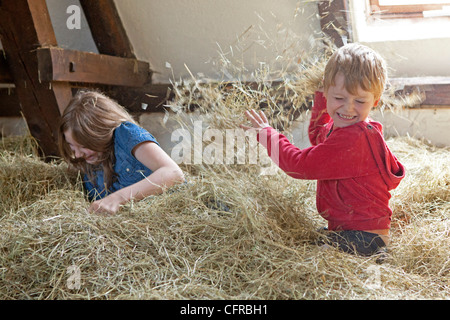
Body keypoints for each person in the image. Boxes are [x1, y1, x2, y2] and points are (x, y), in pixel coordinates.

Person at [241, 43, 405, 257]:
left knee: (314, 257)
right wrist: (320, 99)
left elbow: (298, 166)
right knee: (303, 241)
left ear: (375, 101)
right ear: (328, 92)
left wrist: (267, 134)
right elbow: (320, 135)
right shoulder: (347, 128)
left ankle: (374, 255)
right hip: (345, 230)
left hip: (364, 237)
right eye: (339, 98)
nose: (348, 108)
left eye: (360, 101)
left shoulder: (353, 139)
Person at [58, 90, 185, 215]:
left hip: (172, 214)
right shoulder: (89, 165)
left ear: (100, 133)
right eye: (72, 147)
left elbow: (173, 173)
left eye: (84, 146)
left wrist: (117, 198)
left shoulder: (126, 135)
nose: (78, 155)